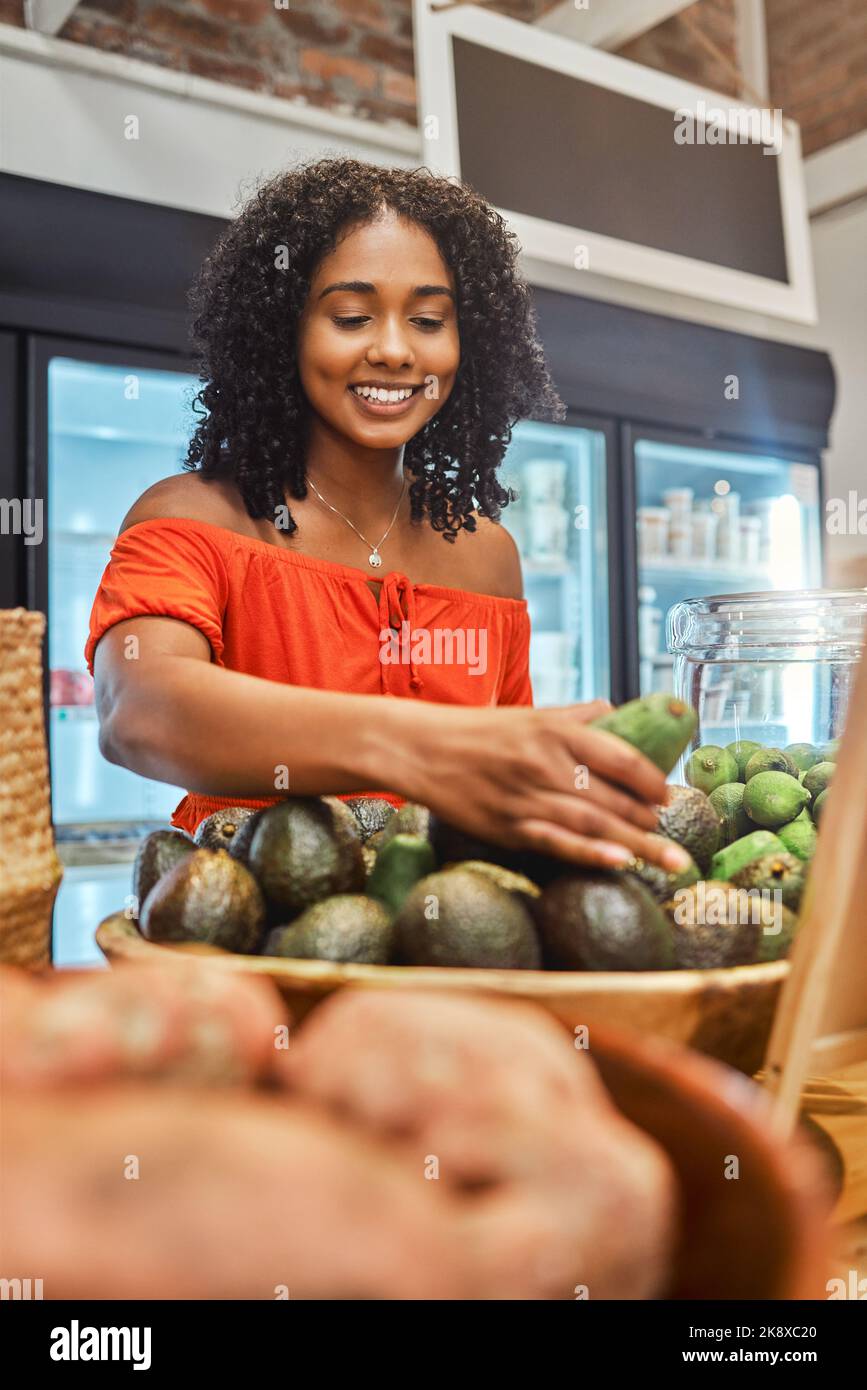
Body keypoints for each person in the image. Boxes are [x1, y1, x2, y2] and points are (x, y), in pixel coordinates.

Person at [86, 158, 688, 875]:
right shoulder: (191, 519)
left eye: (429, 320)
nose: (396, 350)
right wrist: (423, 744)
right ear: (283, 330)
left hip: (447, 943)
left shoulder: (486, 555)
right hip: (252, 940)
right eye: (351, 317)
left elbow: (499, 791)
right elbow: (139, 711)